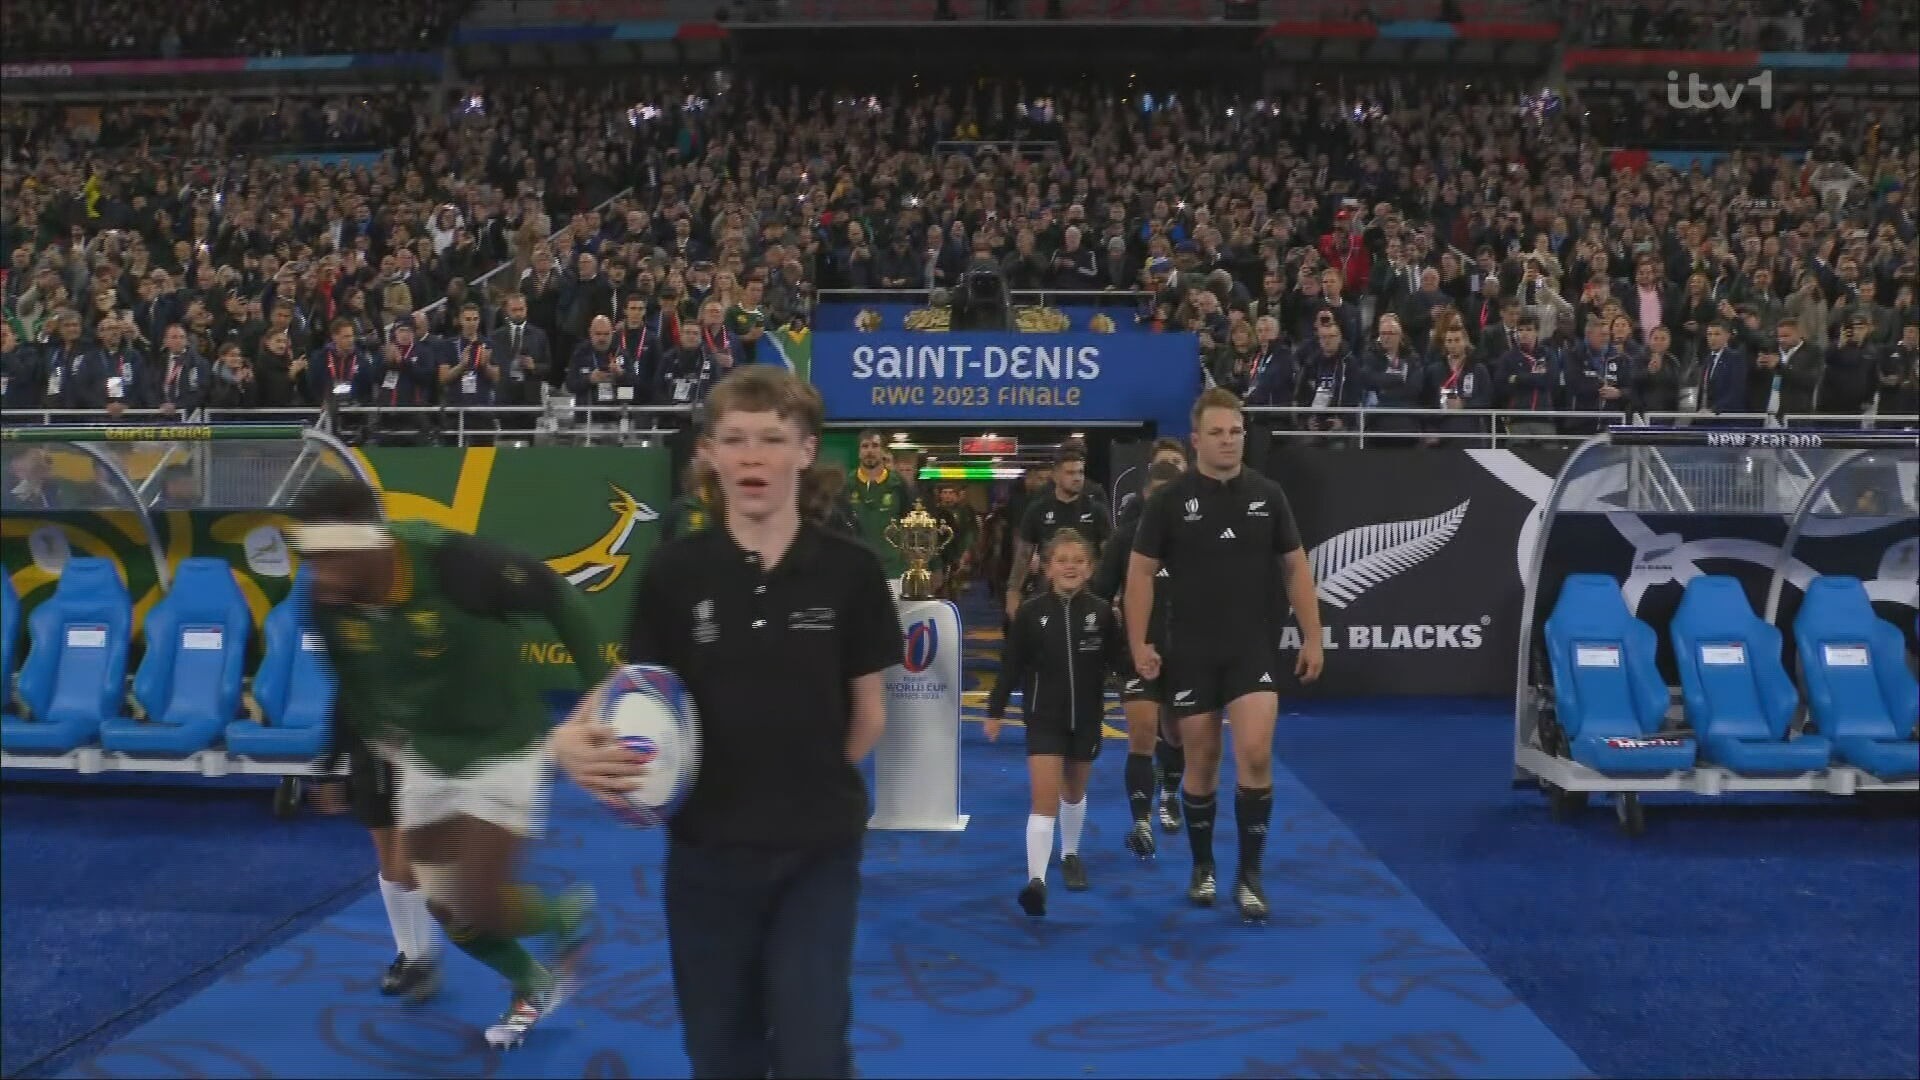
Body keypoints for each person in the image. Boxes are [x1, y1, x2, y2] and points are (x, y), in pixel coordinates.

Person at [551, 365, 902, 1080]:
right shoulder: (676, 572)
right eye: (734, 439)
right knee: (718, 1054)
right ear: (709, 453)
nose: (751, 457)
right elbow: (633, 686)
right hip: (706, 857)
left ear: (805, 451)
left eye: (771, 439)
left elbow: (869, 714)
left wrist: (805, 782)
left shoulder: (852, 572)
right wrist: (565, 738)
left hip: (817, 855)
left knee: (813, 1051)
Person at [290, 479, 605, 1049]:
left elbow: (558, 597)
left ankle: (560, 923)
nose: (319, 573)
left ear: (369, 540)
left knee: (475, 896)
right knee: (444, 904)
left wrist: (599, 690)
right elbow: (350, 685)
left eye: (331, 555)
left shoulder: (458, 564)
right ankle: (534, 973)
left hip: (504, 743)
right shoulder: (325, 604)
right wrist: (336, 763)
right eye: (310, 557)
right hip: (425, 756)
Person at [1125, 387, 1325, 920]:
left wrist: (1313, 635)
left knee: (1256, 754)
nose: (1228, 440)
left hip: (1251, 649)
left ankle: (1250, 873)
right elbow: (1140, 573)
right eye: (1217, 432)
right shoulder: (1169, 501)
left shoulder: (1268, 494)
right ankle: (1202, 866)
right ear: (1196, 440)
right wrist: (1138, 643)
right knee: (1201, 761)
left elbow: (1296, 567)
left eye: (1235, 431)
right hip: (1189, 649)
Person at [987, 527, 1132, 916]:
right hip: (1043, 717)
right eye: (1062, 560)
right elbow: (1011, 666)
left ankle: (1070, 854)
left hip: (1087, 717)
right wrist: (996, 710)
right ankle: (1036, 882)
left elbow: (1119, 664)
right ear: (1047, 568)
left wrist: (1143, 674)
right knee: (1044, 799)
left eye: (1079, 561)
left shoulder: (1102, 614)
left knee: (1073, 792)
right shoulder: (1031, 614)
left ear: (1090, 569)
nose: (1070, 567)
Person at [1091, 458, 1187, 856]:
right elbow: (1099, 594)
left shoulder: (1195, 538)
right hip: (1136, 650)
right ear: (1146, 495)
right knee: (1142, 733)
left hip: (1184, 650)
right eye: (1158, 494)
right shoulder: (1125, 540)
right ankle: (1141, 822)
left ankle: (1168, 794)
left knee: (1175, 733)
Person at [307, 718, 440, 1001]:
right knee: (391, 868)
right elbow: (342, 715)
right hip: (370, 770)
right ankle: (407, 953)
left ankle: (424, 957)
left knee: (409, 867)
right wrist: (329, 773)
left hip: (420, 767)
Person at [1005, 442, 1110, 622]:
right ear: (1055, 476)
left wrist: (1114, 596)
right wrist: (1013, 590)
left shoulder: (1097, 510)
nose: (1077, 478)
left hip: (1088, 592)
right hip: (1046, 590)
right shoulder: (1037, 509)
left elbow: (1108, 554)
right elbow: (1024, 555)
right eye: (1070, 473)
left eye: (1080, 472)